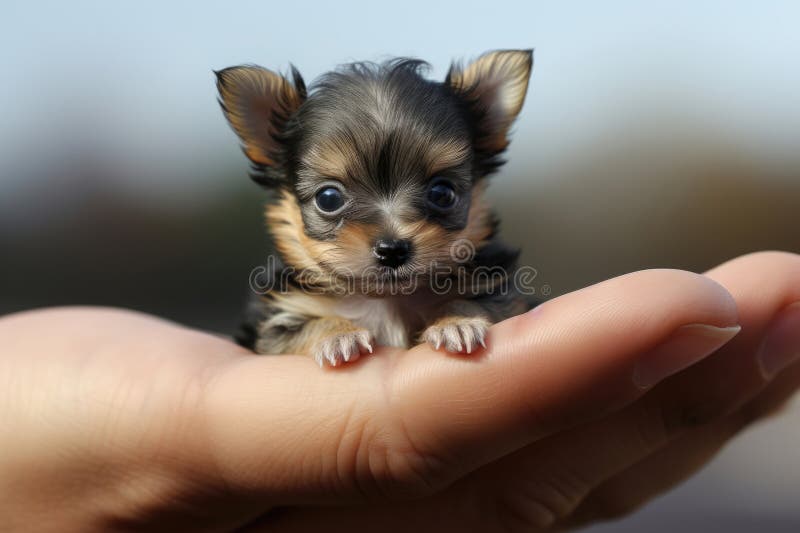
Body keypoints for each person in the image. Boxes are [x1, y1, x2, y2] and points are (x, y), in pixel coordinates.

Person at [1, 251, 799, 532]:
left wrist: (460, 315)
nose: (389, 229)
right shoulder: (294, 297)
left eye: (439, 194)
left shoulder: (476, 284)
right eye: (331, 200)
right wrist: (315, 338)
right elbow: (268, 339)